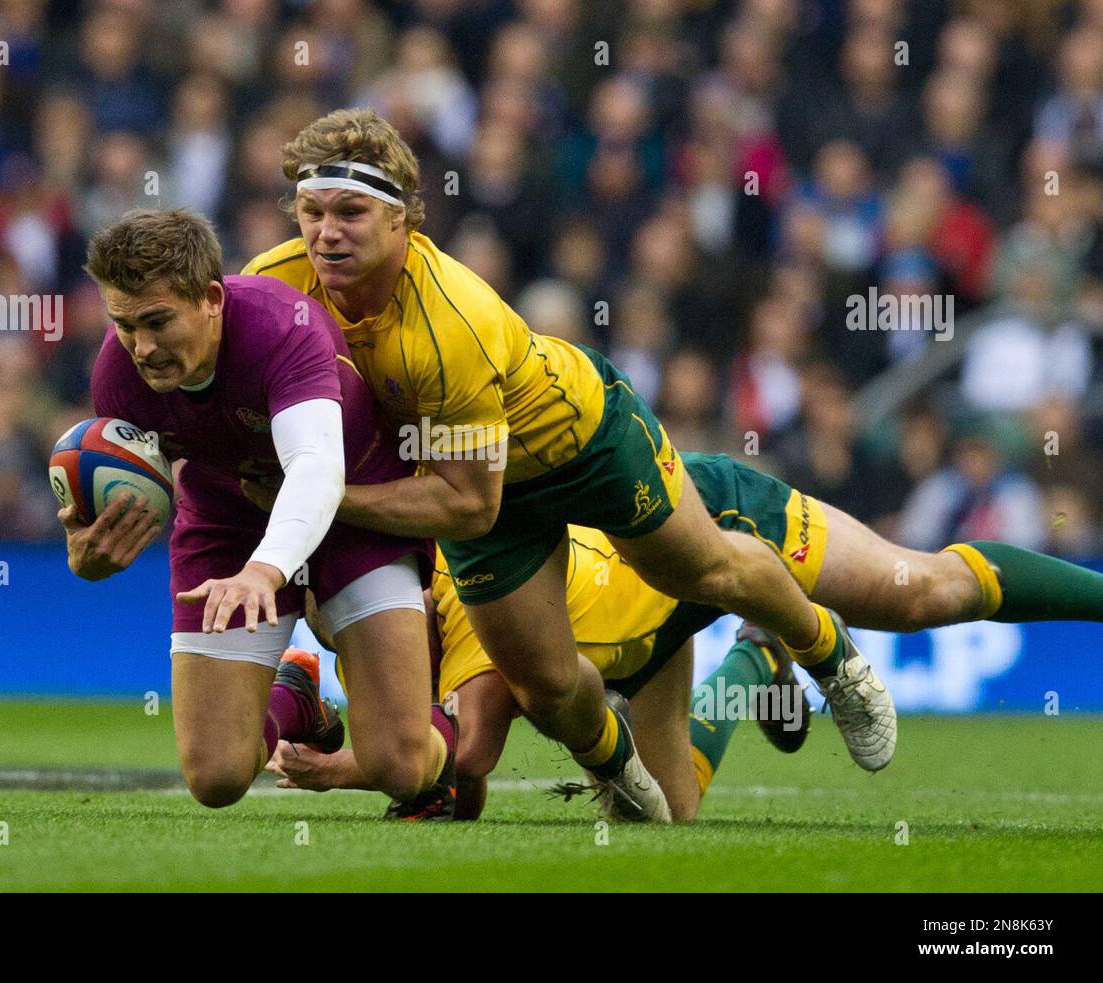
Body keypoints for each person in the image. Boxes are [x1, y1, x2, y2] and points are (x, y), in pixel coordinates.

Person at [242, 108, 894, 822]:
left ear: (403, 220)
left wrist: (322, 494)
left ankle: (831, 657)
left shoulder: (446, 324)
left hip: (576, 443)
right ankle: (621, 764)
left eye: (351, 211)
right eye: (310, 211)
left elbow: (468, 509)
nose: (325, 231)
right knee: (550, 688)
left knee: (701, 569)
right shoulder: (273, 288)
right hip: (477, 486)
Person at [268, 451, 1103, 821]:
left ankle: (793, 629)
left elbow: (473, 748)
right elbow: (458, 788)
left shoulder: (458, 593)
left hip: (698, 520)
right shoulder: (384, 625)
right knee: (667, 818)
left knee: (918, 593)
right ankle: (758, 651)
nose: (330, 611)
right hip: (646, 633)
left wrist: (335, 770)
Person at [62, 208, 456, 817]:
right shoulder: (118, 375)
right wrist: (88, 551)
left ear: (211, 298)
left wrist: (267, 571)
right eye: (123, 325)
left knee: (400, 768)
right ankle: (298, 696)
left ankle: (451, 722)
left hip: (357, 509)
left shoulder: (280, 326)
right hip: (227, 516)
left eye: (157, 321)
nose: (141, 347)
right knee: (216, 779)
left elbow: (316, 470)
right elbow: (138, 489)